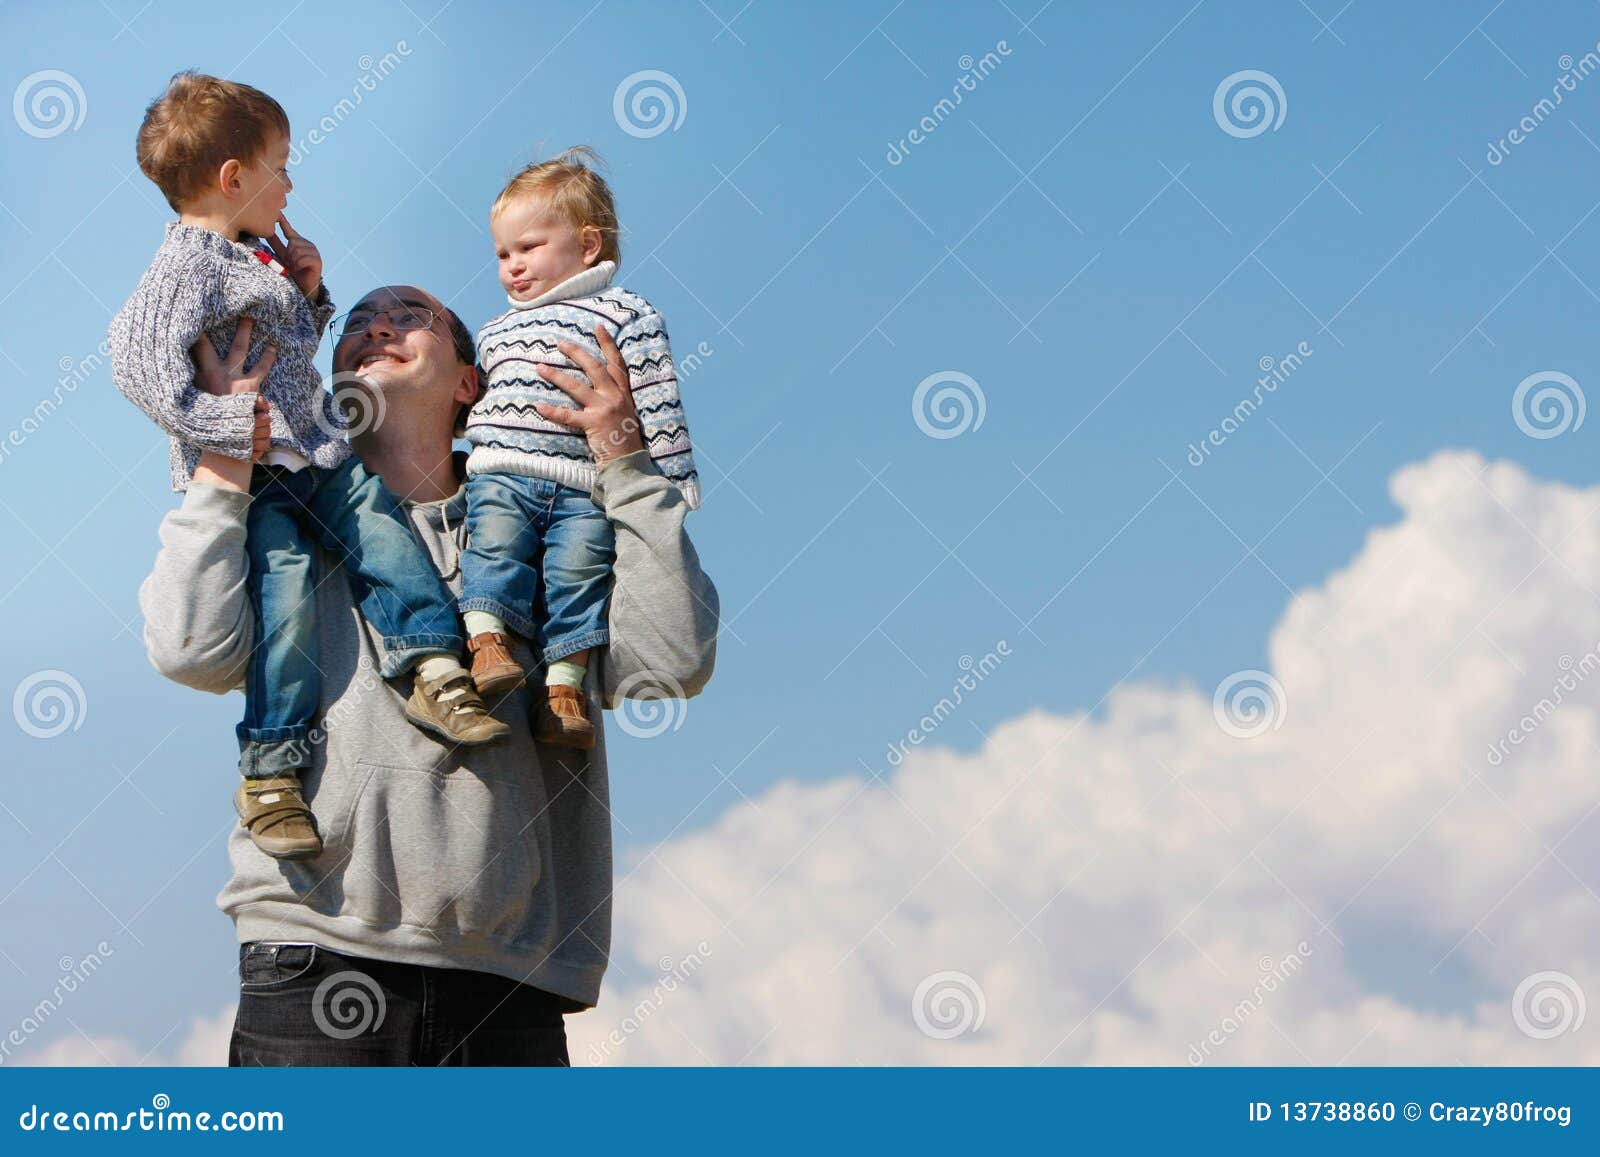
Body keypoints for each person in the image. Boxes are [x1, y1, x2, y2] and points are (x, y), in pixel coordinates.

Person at [137, 282, 719, 1065]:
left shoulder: (553, 531)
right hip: (314, 956)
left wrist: (624, 462)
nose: (377, 326)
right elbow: (189, 647)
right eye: (357, 323)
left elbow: (671, 662)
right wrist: (222, 448)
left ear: (471, 383)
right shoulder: (280, 528)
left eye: (412, 317)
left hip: (510, 983)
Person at [110, 73, 504, 866]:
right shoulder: (185, 267)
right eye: (282, 168)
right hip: (259, 476)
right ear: (234, 179)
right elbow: (134, 360)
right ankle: (272, 770)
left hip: (317, 452)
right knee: (285, 599)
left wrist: (308, 293)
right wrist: (223, 425)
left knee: (383, 535)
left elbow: (287, 353)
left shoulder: (248, 258)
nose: (290, 185)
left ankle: (433, 664)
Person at [460, 148, 701, 749]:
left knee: (579, 578)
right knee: (493, 549)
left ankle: (564, 690)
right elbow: (473, 407)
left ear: (588, 245)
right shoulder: (493, 331)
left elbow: (657, 397)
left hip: (585, 487)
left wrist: (674, 479)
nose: (513, 266)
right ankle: (487, 642)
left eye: (528, 247)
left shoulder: (627, 314)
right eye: (502, 254)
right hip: (500, 471)